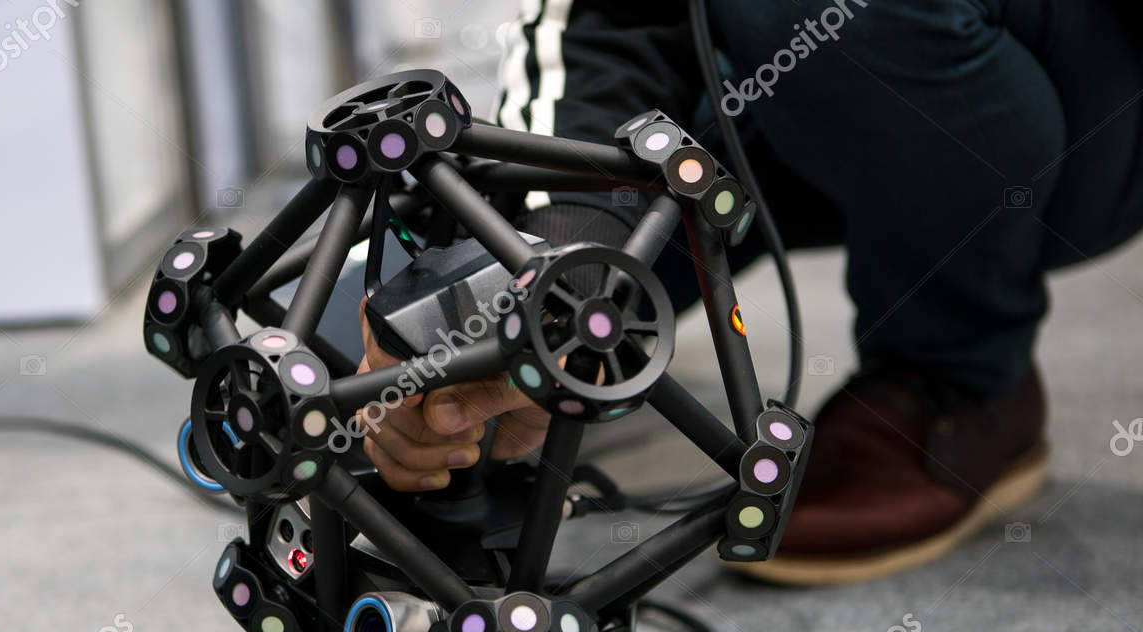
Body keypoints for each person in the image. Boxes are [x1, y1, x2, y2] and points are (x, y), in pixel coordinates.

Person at [357, 0, 1143, 584]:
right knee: (436, 326)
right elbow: (600, 22)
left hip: (1088, 102)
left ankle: (960, 372)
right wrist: (557, 270)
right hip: (800, 87)